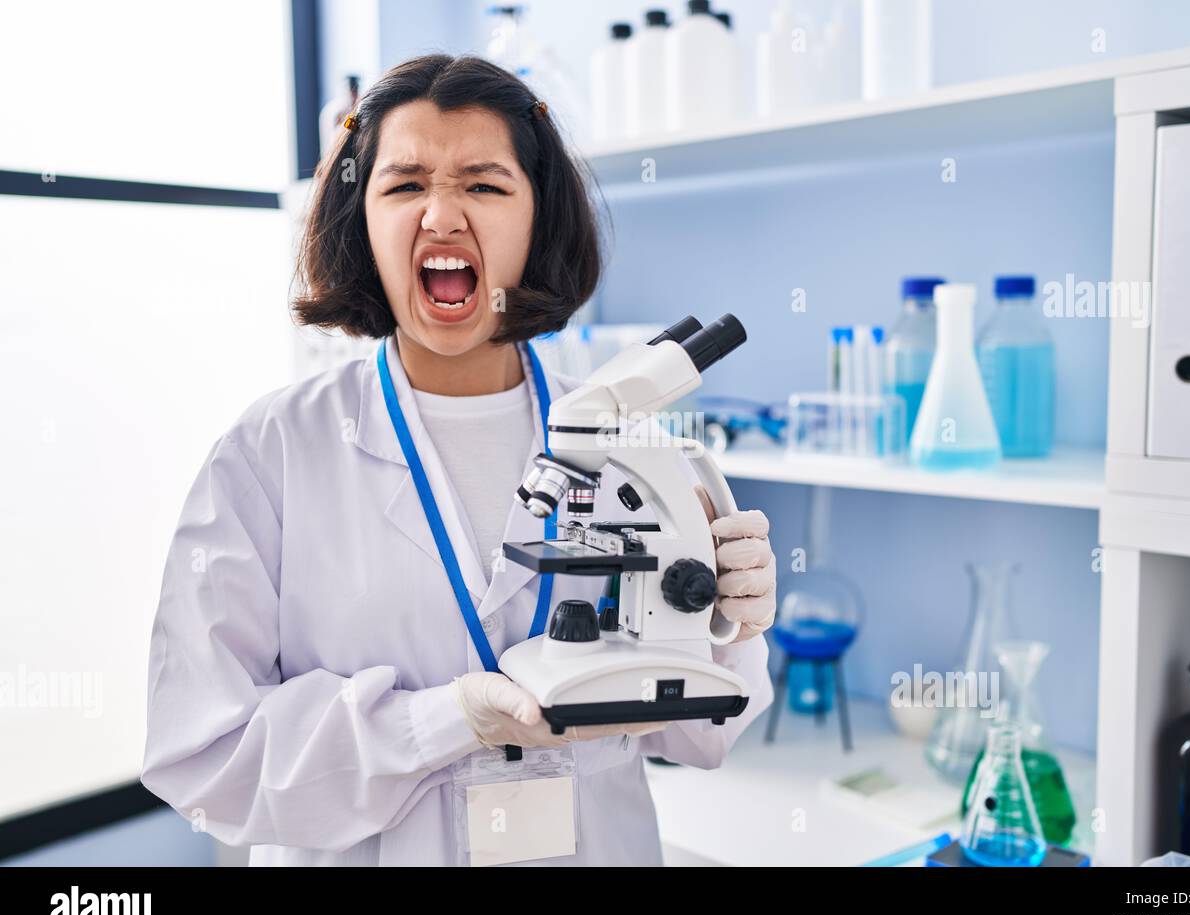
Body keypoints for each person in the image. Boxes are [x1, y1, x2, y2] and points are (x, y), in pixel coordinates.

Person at [140, 54, 775, 866]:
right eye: (404, 186)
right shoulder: (271, 453)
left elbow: (698, 736)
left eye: (484, 185)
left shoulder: (624, 441)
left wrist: (729, 624)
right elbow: (201, 753)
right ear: (359, 222)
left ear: (538, 219)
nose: (441, 216)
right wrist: (440, 722)